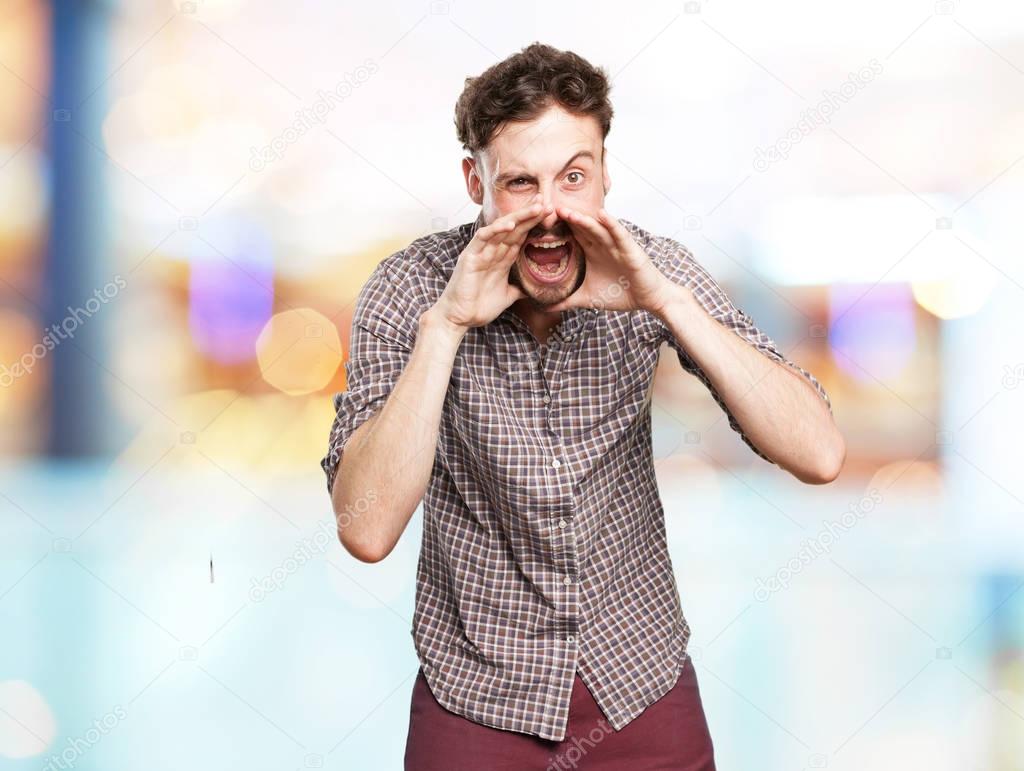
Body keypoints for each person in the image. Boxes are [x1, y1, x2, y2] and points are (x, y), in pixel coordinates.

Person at [321, 42, 845, 771]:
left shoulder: (652, 271)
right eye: (520, 183)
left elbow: (819, 452)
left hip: (640, 687)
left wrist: (665, 302)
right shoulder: (410, 289)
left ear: (604, 172)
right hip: (477, 700)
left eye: (573, 176)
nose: (549, 212)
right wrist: (445, 328)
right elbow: (366, 528)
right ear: (475, 180)